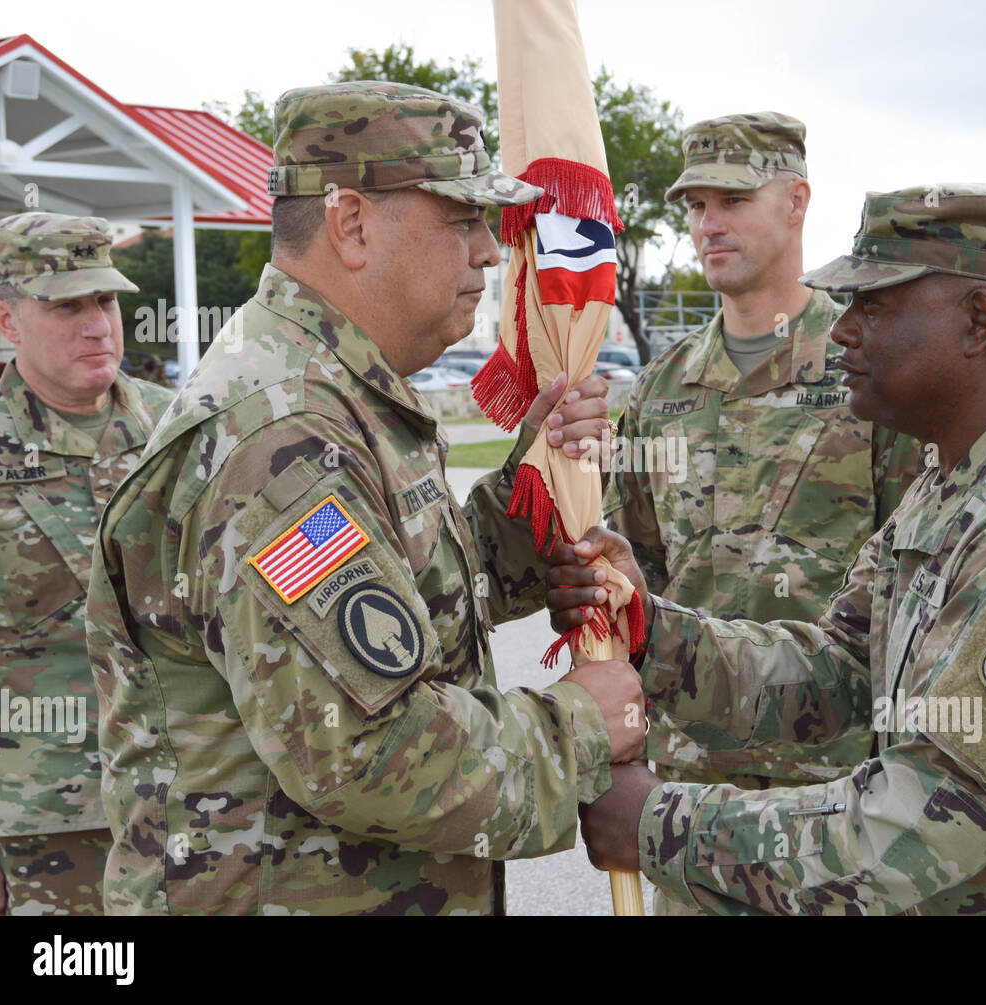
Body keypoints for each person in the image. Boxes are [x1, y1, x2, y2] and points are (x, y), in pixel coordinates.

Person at [548, 183, 986, 915]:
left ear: (978, 322)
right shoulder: (958, 482)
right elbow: (836, 674)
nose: (841, 331)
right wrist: (654, 631)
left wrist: (657, 825)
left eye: (875, 305)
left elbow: (914, 828)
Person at [85, 81, 645, 916]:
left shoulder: (331, 390)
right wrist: (580, 724)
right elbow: (371, 753)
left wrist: (533, 511)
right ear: (350, 224)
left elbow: (399, 600)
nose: (491, 253)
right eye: (462, 219)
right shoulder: (279, 437)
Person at [604, 114, 920, 828]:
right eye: (694, 205)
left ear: (797, 202)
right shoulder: (662, 389)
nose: (708, 223)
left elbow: (919, 588)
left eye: (733, 201)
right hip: (688, 796)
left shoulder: (870, 375)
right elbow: (636, 581)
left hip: (834, 803)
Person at [0, 212, 175, 916]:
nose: (97, 324)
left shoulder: (181, 427)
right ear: (8, 319)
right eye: (67, 306)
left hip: (199, 804)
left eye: (106, 300)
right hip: (47, 825)